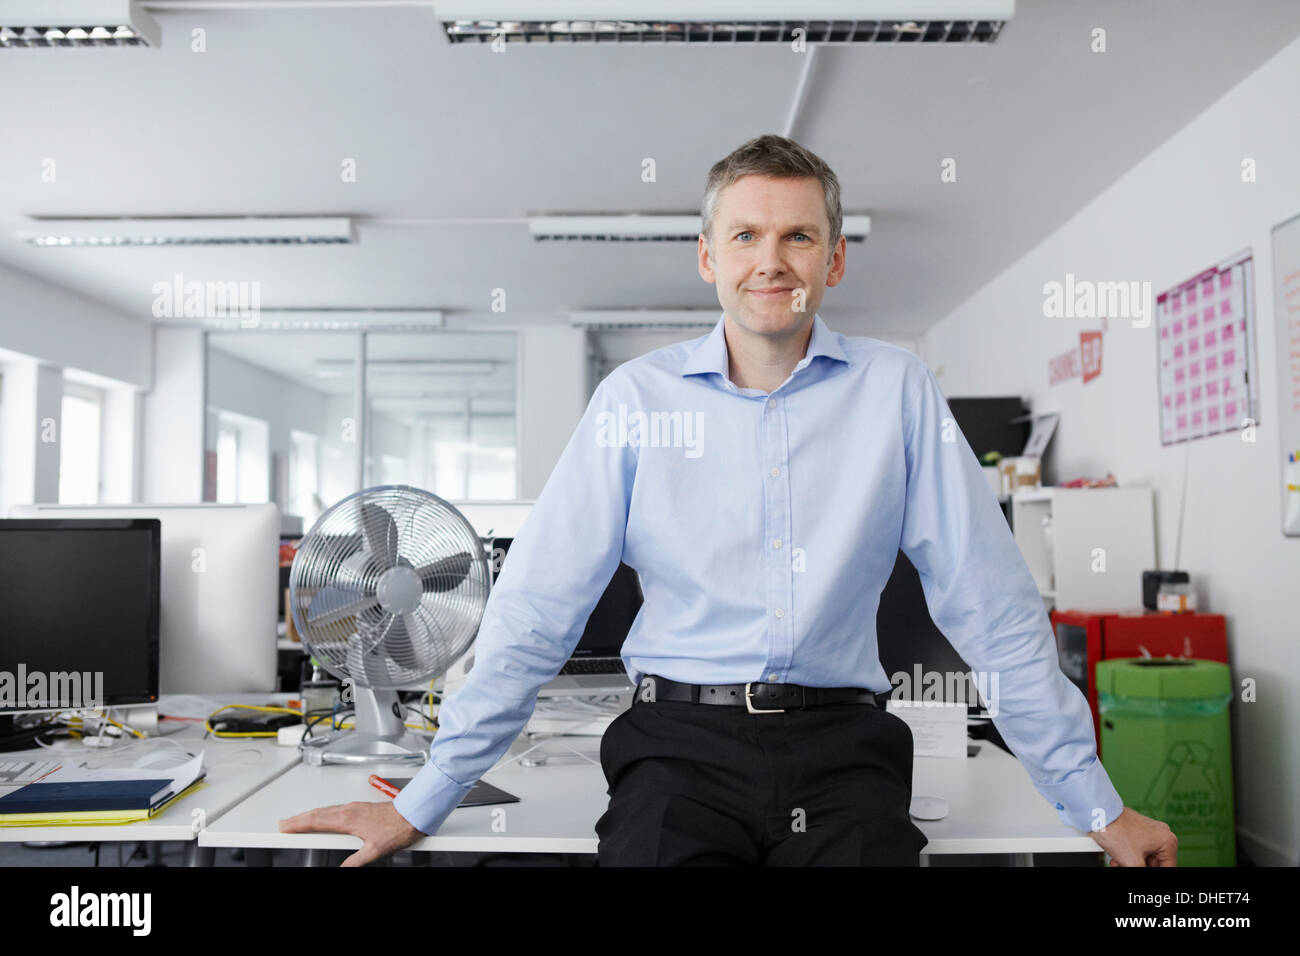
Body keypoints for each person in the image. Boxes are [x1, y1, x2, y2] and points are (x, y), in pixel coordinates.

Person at [281, 134, 1177, 867]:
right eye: (746, 236)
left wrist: (1095, 804)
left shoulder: (895, 391)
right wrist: (428, 800)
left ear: (833, 258)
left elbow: (992, 606)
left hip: (846, 752)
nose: (771, 261)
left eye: (797, 237)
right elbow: (537, 609)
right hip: (677, 750)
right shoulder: (636, 402)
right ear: (709, 255)